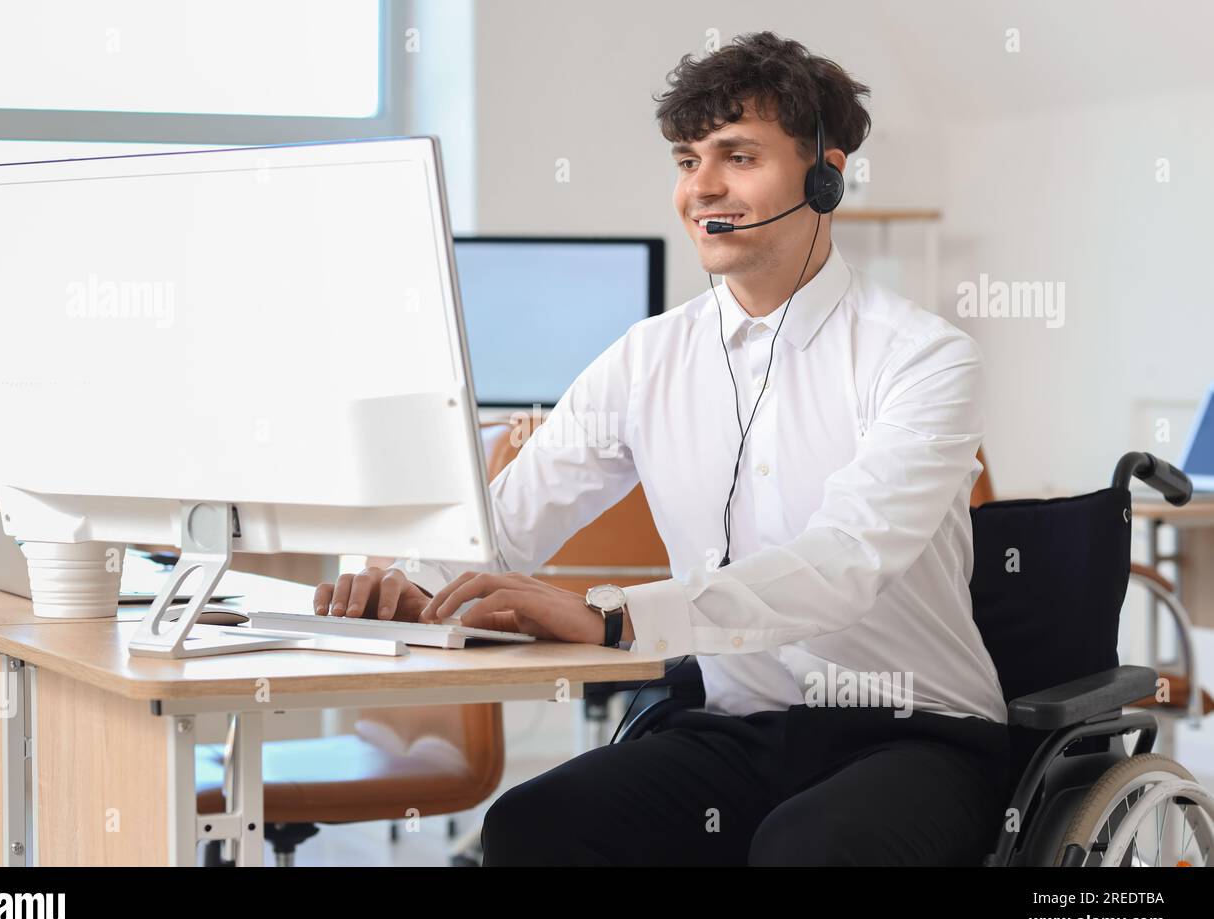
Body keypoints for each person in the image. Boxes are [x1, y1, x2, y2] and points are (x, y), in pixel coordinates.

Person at [312, 32, 1009, 866]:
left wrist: (615, 616)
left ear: (826, 174)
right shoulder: (648, 358)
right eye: (687, 160)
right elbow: (506, 522)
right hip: (737, 732)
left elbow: (845, 561)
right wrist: (402, 582)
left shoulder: (923, 356)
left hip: (914, 736)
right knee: (535, 827)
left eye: (738, 156)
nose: (701, 187)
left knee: (813, 848)